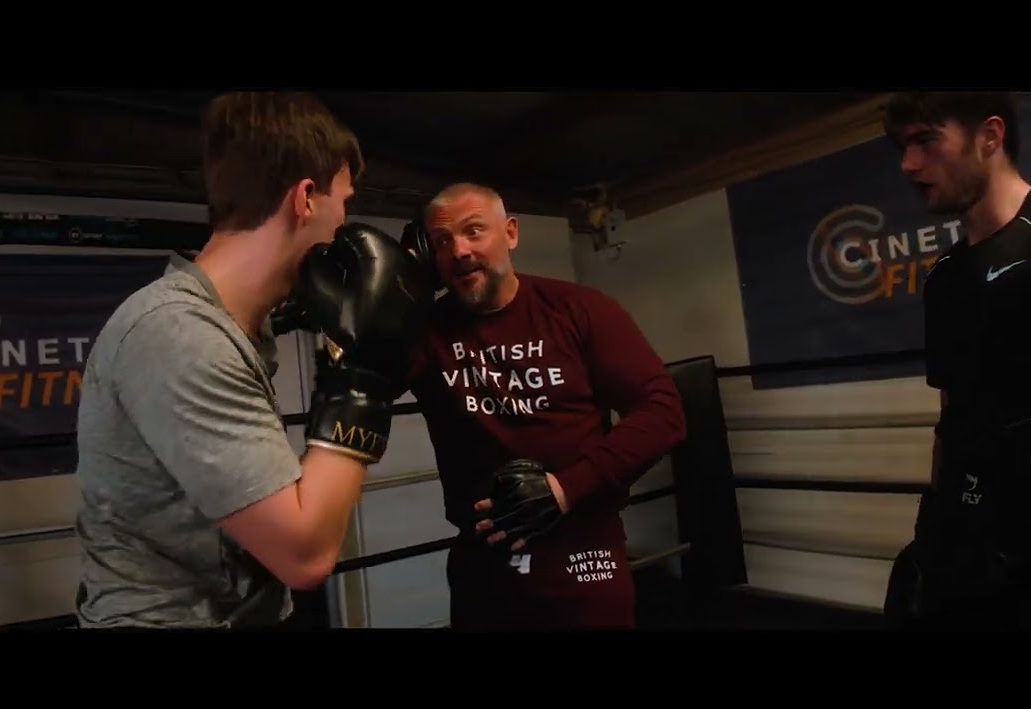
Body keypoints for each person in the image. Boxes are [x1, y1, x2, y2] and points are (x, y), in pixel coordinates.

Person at [72, 91, 434, 629]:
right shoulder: (183, 335)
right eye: (345, 202)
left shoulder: (235, 326)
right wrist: (362, 378)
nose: (345, 224)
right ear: (306, 198)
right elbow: (304, 554)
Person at [398, 182, 688, 630]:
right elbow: (364, 393)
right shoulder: (426, 333)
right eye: (442, 242)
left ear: (510, 233)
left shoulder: (577, 309)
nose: (459, 250)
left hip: (582, 556)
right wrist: (389, 304)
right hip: (483, 568)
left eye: (474, 231)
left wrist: (566, 488)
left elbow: (663, 410)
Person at [881, 91, 1031, 629]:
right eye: (903, 146)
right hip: (966, 540)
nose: (908, 164)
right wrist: (933, 529)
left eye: (925, 141)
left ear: (989, 136)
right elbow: (952, 414)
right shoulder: (944, 277)